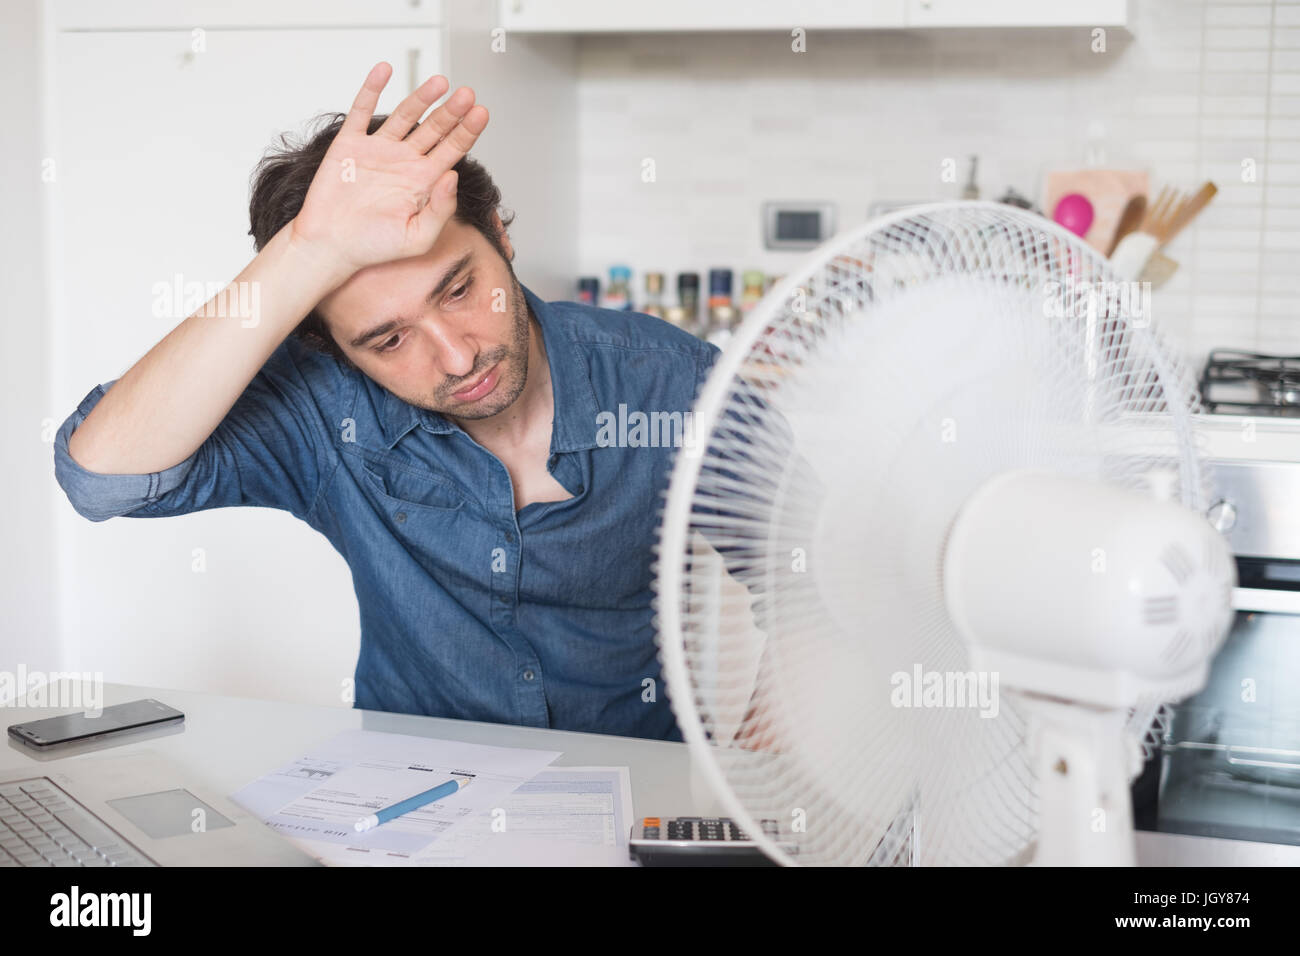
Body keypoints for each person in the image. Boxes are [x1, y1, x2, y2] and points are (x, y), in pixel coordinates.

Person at [54, 62, 721, 742]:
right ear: (332, 348)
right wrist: (307, 255)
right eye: (389, 339)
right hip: (404, 809)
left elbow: (809, 587)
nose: (458, 358)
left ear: (500, 233)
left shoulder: (671, 383)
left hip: (637, 791)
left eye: (460, 291)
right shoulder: (320, 410)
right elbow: (102, 480)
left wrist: (754, 790)